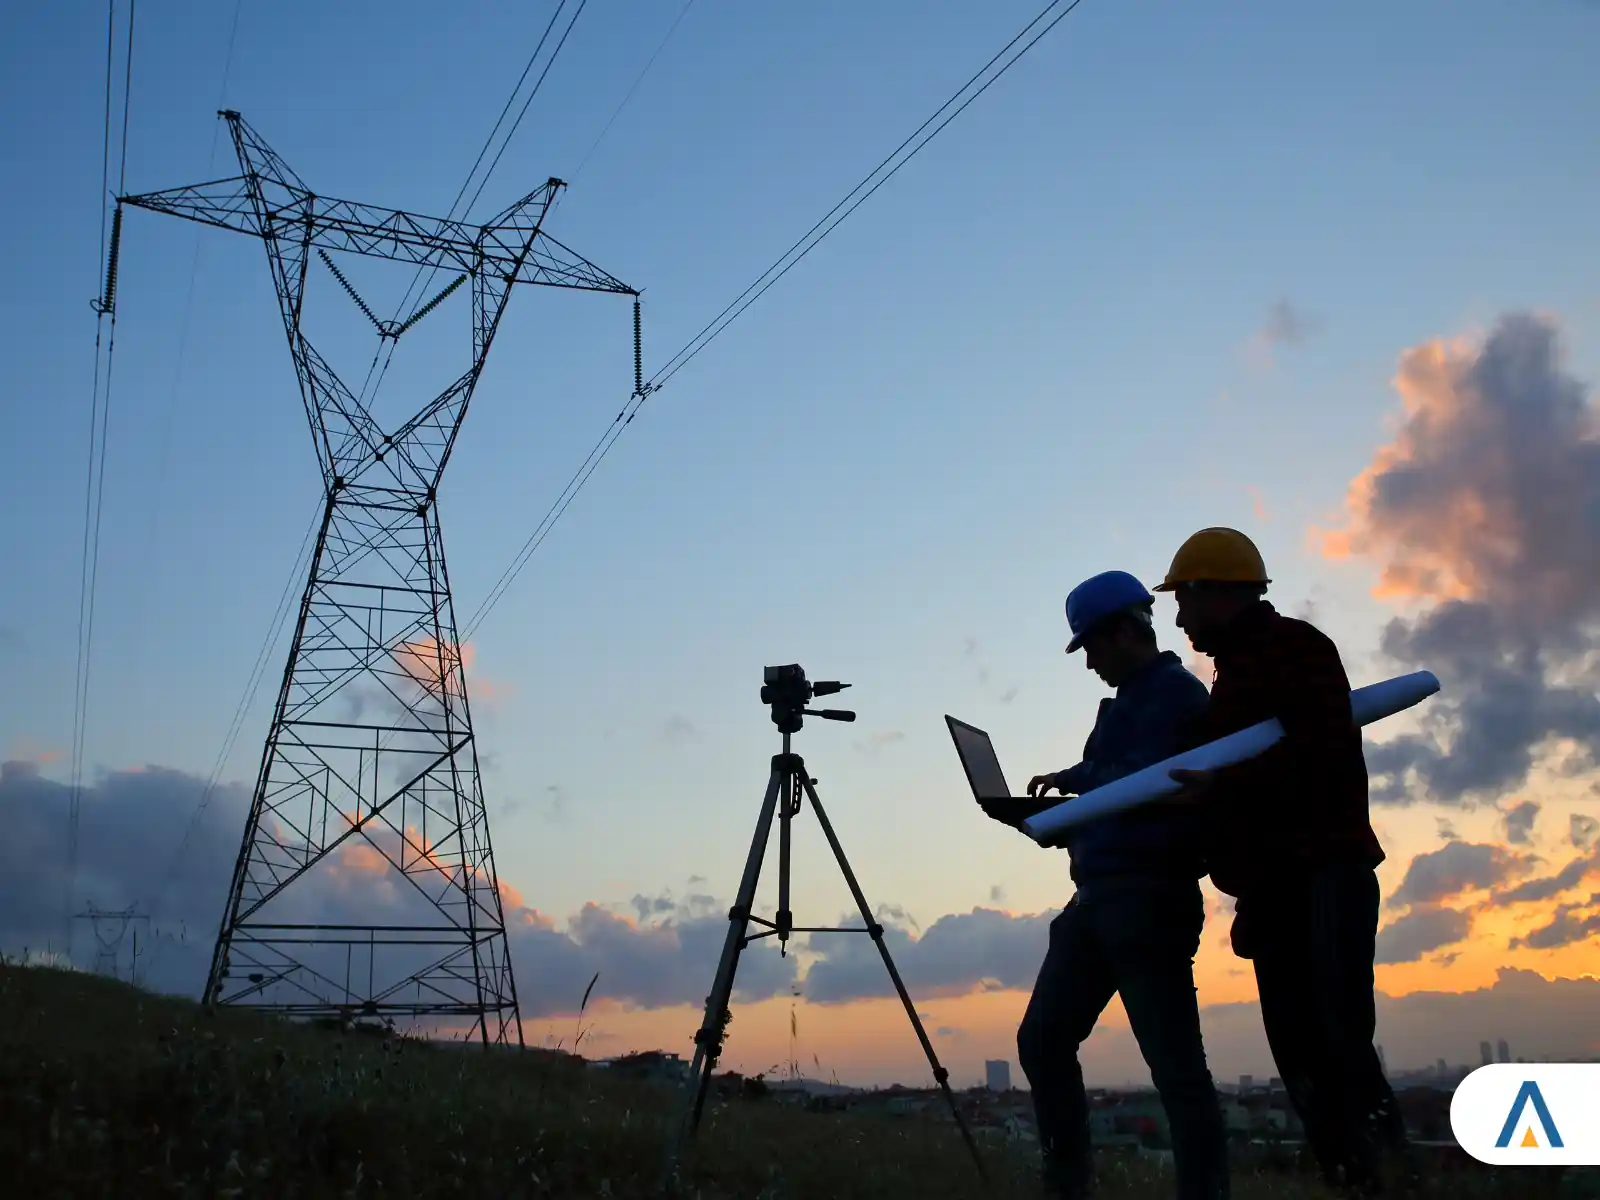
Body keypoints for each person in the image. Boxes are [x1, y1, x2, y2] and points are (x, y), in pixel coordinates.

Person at [1155, 527, 1410, 1195]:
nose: (1179, 619)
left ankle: (1390, 1180)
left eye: (1184, 601)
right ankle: (1352, 1181)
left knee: (1339, 1047)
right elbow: (1242, 786)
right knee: (1299, 1055)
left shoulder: (1297, 649)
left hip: (1323, 877)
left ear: (1216, 592)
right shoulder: (1233, 675)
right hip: (1276, 893)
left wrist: (1223, 790)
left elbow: (1321, 751)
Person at [978, 570, 1229, 1200]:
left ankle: (1205, 1192)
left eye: (1091, 645)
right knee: (1042, 1039)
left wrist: (1081, 790)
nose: (1088, 662)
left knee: (1175, 1068)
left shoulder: (1175, 694)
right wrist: (1065, 794)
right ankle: (1067, 1184)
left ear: (1124, 631)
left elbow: (1149, 778)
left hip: (1147, 900)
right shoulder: (1126, 704)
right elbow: (1113, 782)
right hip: (1095, 898)